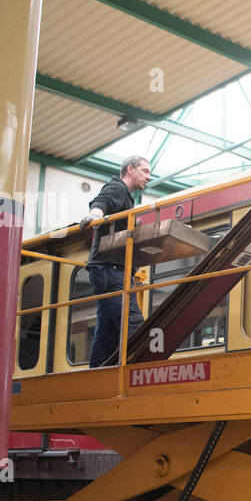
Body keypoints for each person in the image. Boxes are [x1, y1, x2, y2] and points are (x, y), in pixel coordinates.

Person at [81, 156, 152, 367]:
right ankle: (143, 369)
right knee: (133, 322)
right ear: (130, 170)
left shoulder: (128, 198)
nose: (149, 176)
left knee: (107, 331)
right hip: (110, 268)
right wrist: (94, 215)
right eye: (145, 171)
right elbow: (102, 201)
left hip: (105, 268)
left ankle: (96, 376)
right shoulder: (117, 188)